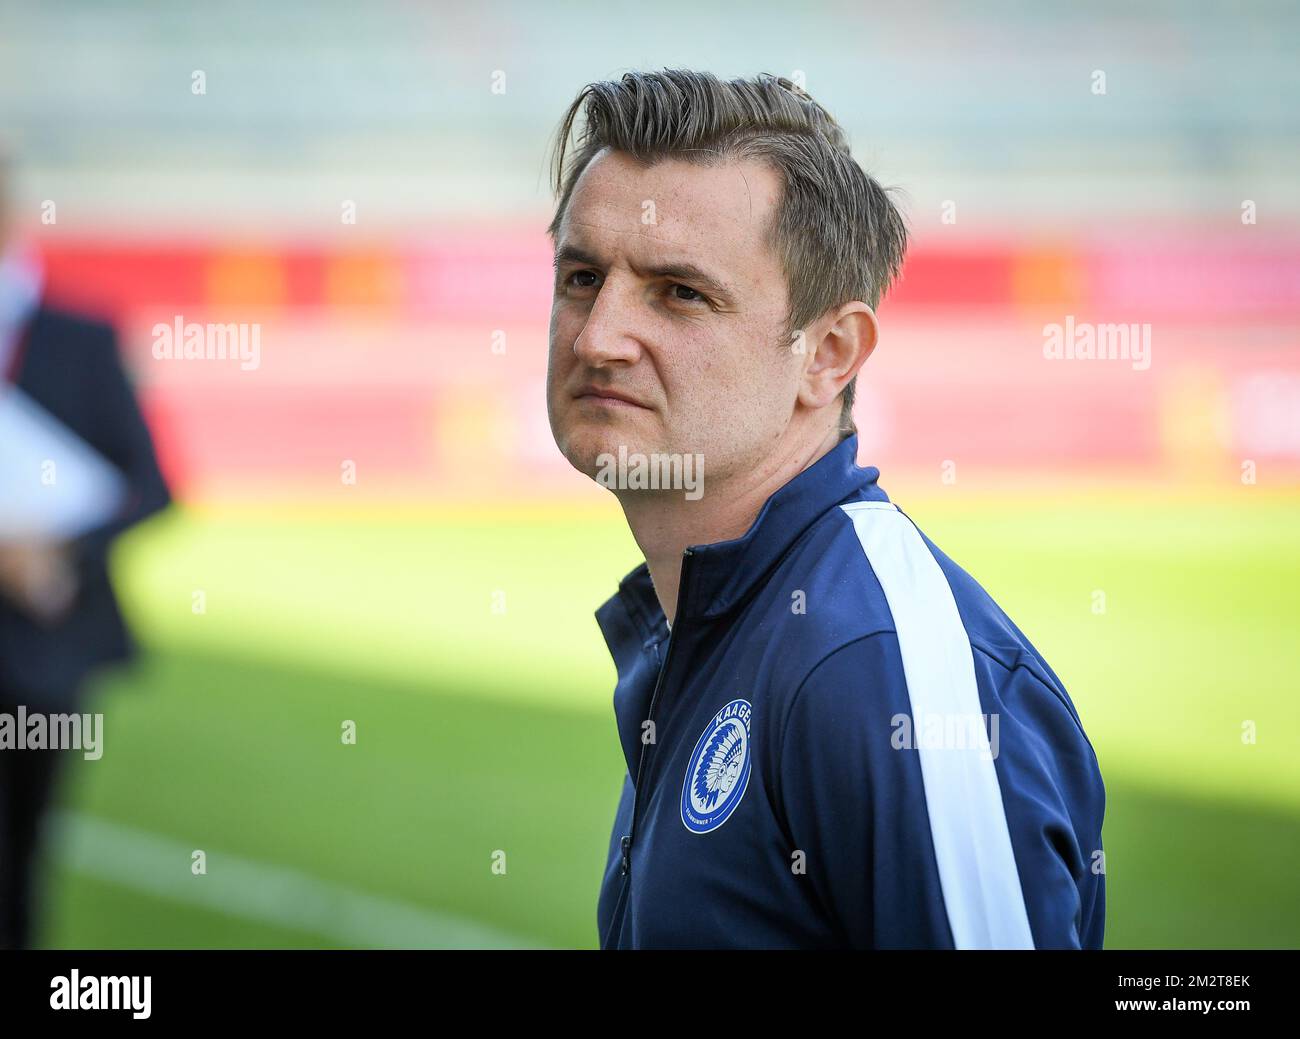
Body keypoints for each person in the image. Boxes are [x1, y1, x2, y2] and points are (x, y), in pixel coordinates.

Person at [543, 70, 1106, 949]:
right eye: (582, 276)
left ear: (829, 354)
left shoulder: (873, 668)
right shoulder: (720, 619)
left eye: (679, 292)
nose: (597, 336)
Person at [0, 155, 171, 948]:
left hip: (44, 650)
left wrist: (54, 550)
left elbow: (154, 485)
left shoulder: (81, 339)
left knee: (19, 858)